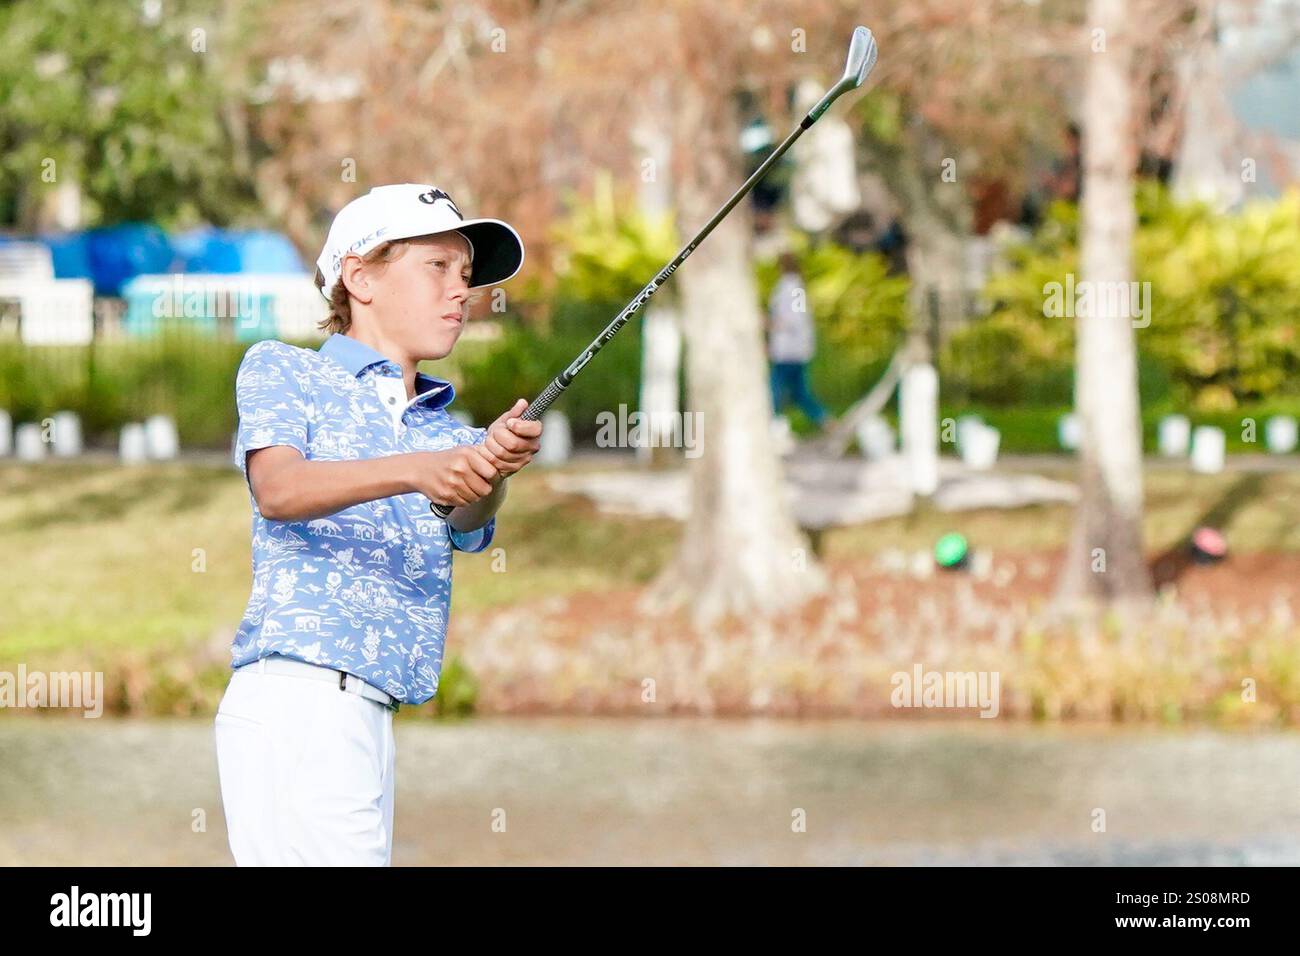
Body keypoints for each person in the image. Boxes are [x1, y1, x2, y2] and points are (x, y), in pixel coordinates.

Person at [214, 183, 542, 866]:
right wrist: (419, 470)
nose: (461, 291)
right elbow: (278, 489)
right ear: (360, 278)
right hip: (300, 702)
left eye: (466, 275)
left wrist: (491, 471)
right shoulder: (285, 369)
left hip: (370, 714)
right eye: (436, 266)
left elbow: (465, 519)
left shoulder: (447, 433)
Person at [766, 251, 826, 430]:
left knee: (774, 390)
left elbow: (795, 319)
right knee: (799, 393)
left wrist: (769, 323)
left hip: (789, 351)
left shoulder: (792, 288)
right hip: (795, 349)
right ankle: (827, 422)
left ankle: (775, 425)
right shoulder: (795, 287)